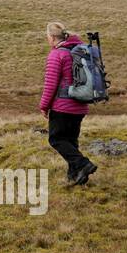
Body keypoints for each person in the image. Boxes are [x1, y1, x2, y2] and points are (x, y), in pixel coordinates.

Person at [39, 21, 97, 185]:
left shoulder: (57, 55)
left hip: (62, 107)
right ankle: (76, 177)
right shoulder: (80, 51)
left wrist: (44, 106)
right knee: (71, 141)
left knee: (56, 139)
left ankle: (83, 164)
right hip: (80, 106)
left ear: (51, 37)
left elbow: (50, 85)